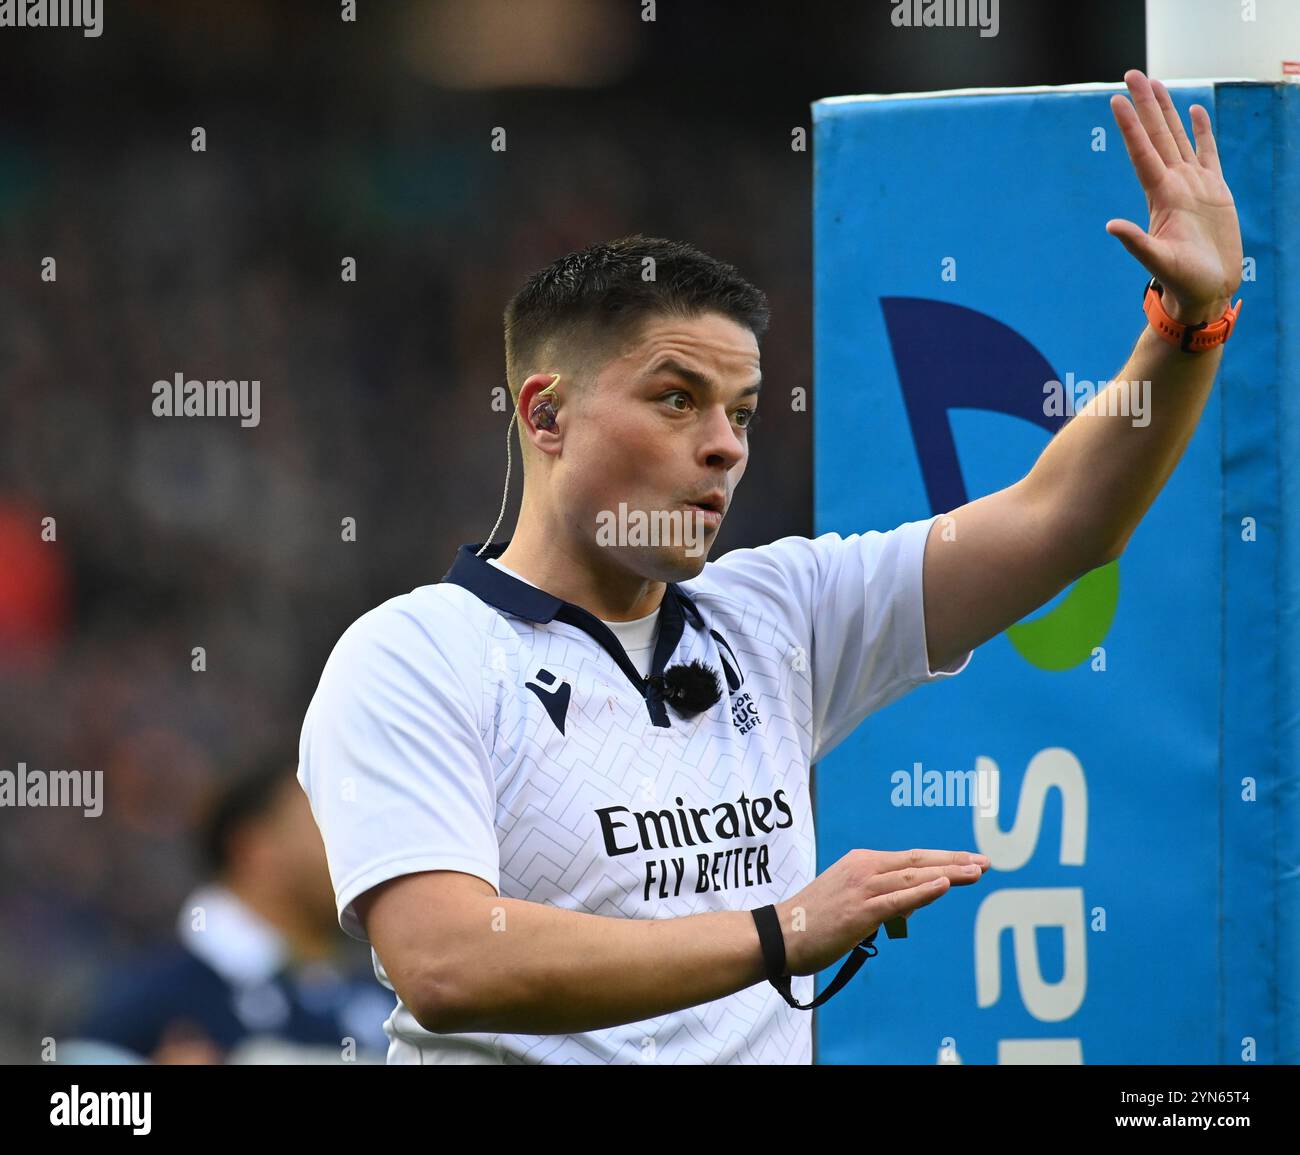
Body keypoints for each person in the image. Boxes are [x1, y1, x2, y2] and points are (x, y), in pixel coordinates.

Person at [298, 70, 1242, 1064]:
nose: (725, 447)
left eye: (741, 412)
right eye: (676, 398)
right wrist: (782, 932)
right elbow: (450, 965)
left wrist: (1188, 327)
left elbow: (1061, 523)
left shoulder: (777, 614)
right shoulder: (412, 655)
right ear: (545, 416)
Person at [64, 756, 390, 1063]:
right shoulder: (153, 996)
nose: (353, 843)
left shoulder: (380, 995)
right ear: (255, 848)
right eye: (325, 819)